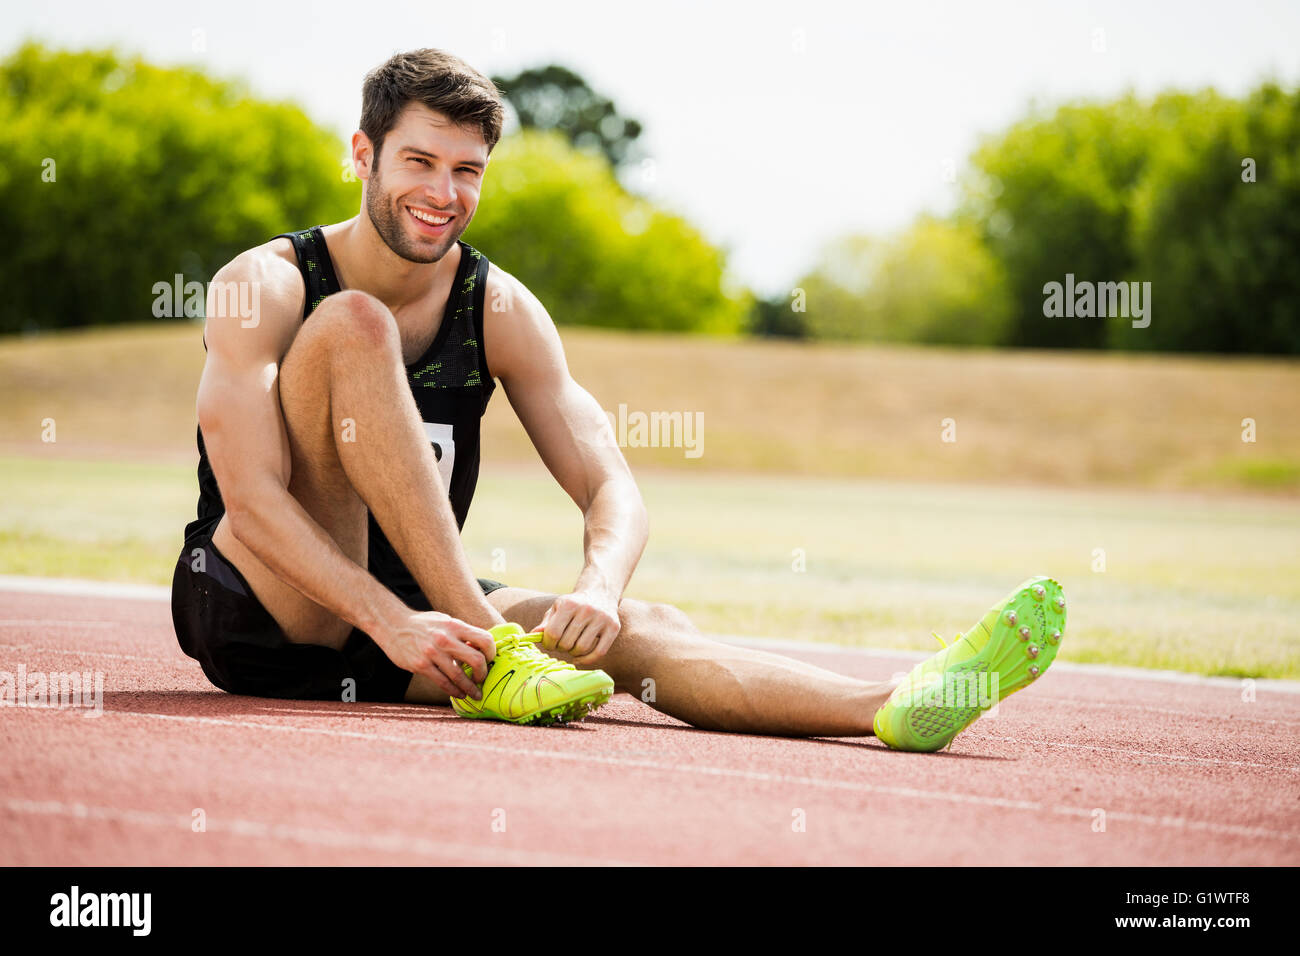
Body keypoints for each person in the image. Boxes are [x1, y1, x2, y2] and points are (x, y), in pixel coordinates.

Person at [171, 48, 1066, 751]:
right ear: (360, 155)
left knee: (641, 629)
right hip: (266, 605)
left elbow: (613, 487)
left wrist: (597, 589)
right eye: (419, 162)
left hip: (419, 621)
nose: (444, 195)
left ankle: (892, 703)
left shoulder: (502, 308)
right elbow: (250, 504)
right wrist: (394, 620)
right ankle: (503, 655)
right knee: (354, 325)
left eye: (469, 170)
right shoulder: (268, 284)